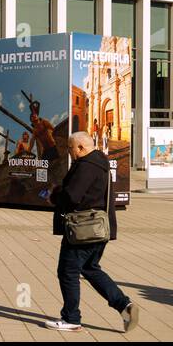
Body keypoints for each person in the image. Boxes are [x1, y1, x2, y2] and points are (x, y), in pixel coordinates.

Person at [46, 132, 138, 333]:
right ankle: (124, 306)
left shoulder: (86, 165)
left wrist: (55, 194)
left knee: (67, 272)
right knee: (90, 268)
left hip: (83, 230)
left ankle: (71, 318)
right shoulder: (100, 162)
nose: (69, 152)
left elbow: (73, 196)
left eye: (70, 148)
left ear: (80, 147)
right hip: (98, 229)